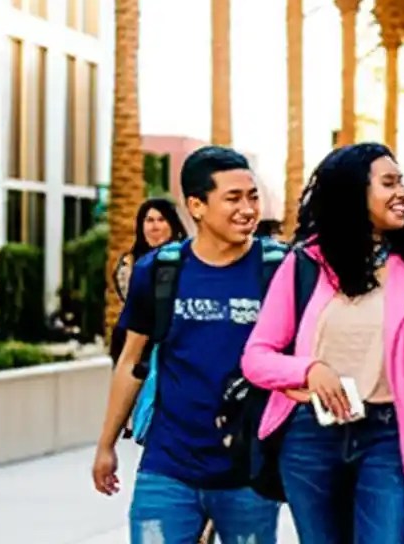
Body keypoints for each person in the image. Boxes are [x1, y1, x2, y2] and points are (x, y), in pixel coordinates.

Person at [241, 143, 404, 543]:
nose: (402, 193)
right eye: (388, 183)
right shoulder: (305, 262)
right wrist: (308, 370)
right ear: (354, 192)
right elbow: (256, 356)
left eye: (401, 182)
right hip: (310, 435)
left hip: (387, 439)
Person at [91, 146, 280, 544]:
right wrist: (106, 444)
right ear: (196, 206)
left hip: (249, 473)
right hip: (168, 467)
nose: (247, 209)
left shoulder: (278, 269)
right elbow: (132, 362)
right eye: (233, 198)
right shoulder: (159, 271)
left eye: (252, 197)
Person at [109, 198, 188, 365]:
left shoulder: (187, 260)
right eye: (149, 220)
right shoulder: (130, 264)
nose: (155, 227)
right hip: (135, 348)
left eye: (161, 220)